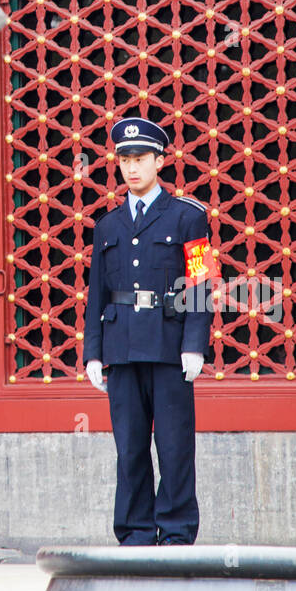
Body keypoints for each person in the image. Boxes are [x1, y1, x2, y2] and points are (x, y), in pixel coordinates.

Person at [83, 116, 215, 546]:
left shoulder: (187, 218)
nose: (132, 167)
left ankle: (176, 531)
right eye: (125, 160)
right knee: (131, 448)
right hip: (121, 348)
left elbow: (201, 284)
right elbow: (97, 295)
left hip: (169, 345)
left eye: (140, 158)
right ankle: (136, 532)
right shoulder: (107, 226)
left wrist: (195, 344)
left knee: (175, 447)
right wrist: (93, 353)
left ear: (160, 161)